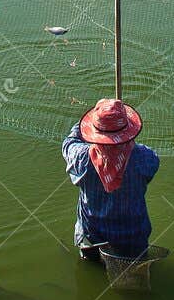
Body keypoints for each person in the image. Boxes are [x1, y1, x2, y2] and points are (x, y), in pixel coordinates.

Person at [62, 97, 159, 261]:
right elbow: (148, 172)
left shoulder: (81, 158)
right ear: (129, 130)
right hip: (133, 239)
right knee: (134, 271)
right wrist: (125, 140)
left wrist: (84, 123)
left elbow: (68, 143)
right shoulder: (146, 157)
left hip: (92, 239)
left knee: (91, 267)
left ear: (94, 132)